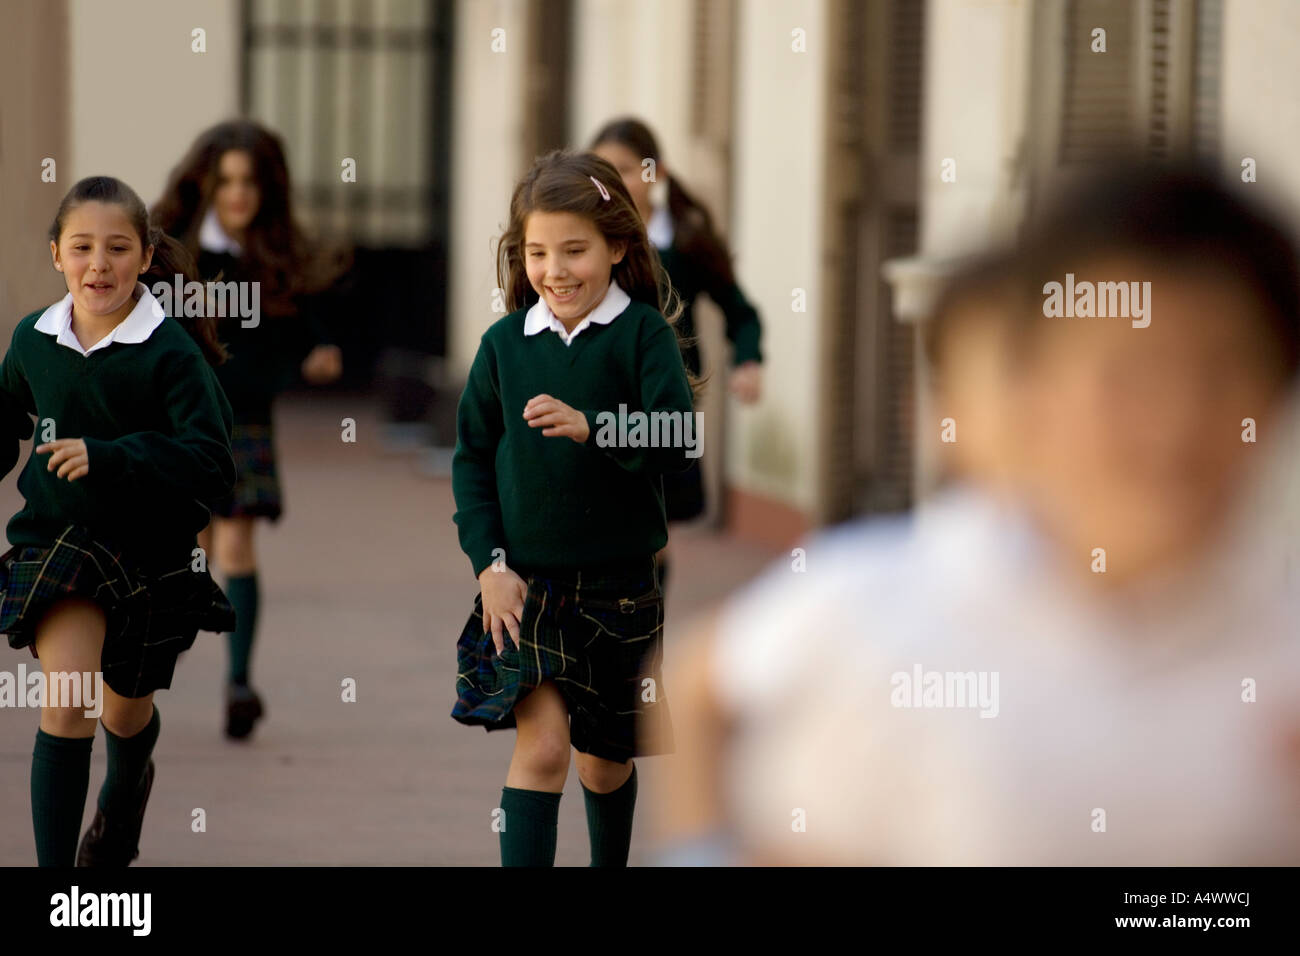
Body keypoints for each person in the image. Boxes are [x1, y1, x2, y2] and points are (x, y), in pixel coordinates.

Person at [650, 163, 1300, 865]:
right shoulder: (875, 618)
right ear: (1033, 388)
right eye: (1127, 373)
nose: (1176, 424)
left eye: (1224, 370)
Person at [450, 150, 698, 866]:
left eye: (574, 251)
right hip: (527, 588)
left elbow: (680, 436)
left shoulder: (643, 334)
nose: (554, 270)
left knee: (604, 761)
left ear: (617, 247)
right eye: (536, 252)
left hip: (622, 593)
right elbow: (470, 462)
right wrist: (489, 565)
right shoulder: (502, 347)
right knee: (545, 747)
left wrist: (596, 426)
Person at [0, 176, 236, 866]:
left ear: (143, 257)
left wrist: (110, 457)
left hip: (151, 554)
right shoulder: (33, 340)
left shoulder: (170, 353)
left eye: (116, 248)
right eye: (81, 247)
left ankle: (127, 783)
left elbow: (210, 464)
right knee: (68, 701)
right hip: (60, 547)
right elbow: (7, 416)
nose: (97, 264)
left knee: (124, 712)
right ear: (56, 255)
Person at [153, 120, 347, 739]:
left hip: (246, 425)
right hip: (179, 425)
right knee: (189, 551)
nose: (238, 194)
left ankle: (238, 683)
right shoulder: (173, 254)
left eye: (251, 182)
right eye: (227, 181)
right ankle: (148, 668)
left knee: (235, 547)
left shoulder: (275, 257)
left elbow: (304, 332)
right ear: (205, 184)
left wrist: (317, 353)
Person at [591, 118, 763, 590]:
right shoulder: (585, 240)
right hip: (600, 398)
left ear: (655, 174)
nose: (615, 182)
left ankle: (645, 644)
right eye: (603, 171)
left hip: (668, 403)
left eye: (625, 169)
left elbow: (741, 312)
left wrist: (749, 361)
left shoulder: (686, 240)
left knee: (652, 534)